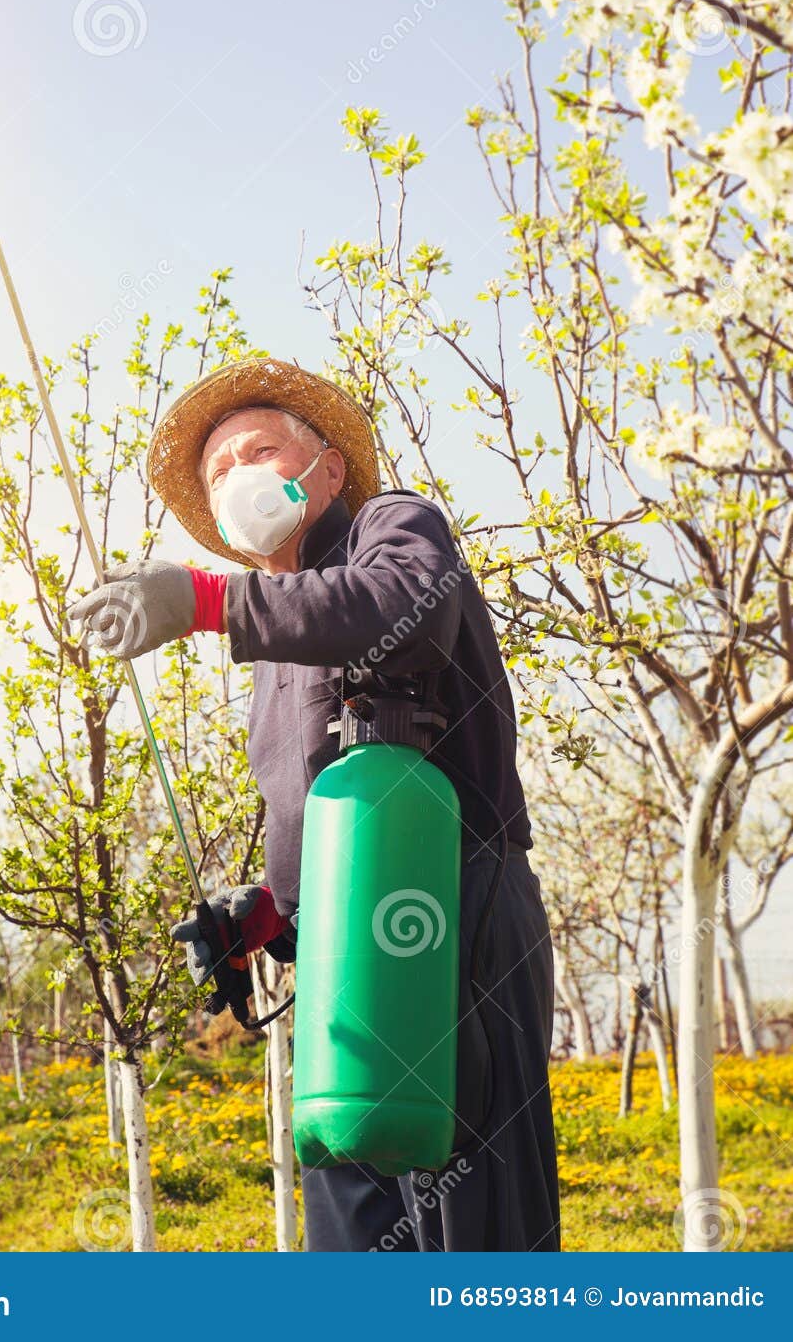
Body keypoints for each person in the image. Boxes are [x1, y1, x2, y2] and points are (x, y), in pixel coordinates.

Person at [70, 356, 560, 1252]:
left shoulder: (393, 527)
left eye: (257, 451)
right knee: (354, 1206)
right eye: (218, 471)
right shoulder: (271, 658)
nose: (235, 478)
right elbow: (319, 833)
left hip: (453, 911)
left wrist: (206, 598)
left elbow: (395, 603)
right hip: (345, 961)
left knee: (471, 1219)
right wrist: (261, 918)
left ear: (326, 469)